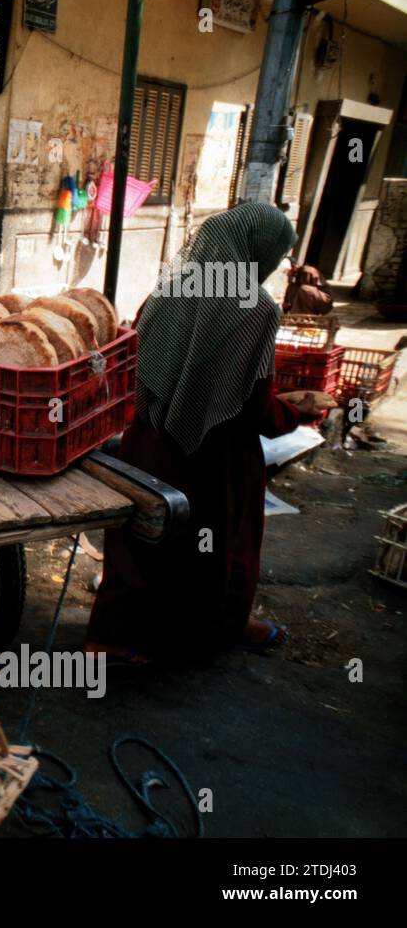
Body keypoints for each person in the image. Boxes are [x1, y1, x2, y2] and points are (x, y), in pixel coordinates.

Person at [84, 202, 327, 666]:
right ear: (256, 250)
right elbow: (251, 409)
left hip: (149, 445)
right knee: (223, 546)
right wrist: (298, 412)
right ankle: (219, 628)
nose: (276, 264)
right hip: (216, 459)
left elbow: (147, 374)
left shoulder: (163, 294)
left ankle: (108, 638)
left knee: (140, 541)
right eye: (276, 253)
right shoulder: (256, 309)